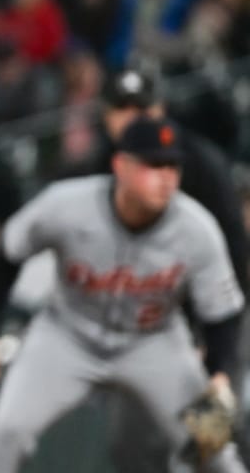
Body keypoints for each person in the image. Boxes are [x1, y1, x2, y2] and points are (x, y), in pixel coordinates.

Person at [0, 116, 248, 472]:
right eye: (153, 165)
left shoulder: (196, 228)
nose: (166, 177)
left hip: (154, 342)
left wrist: (219, 377)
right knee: (8, 430)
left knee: (214, 446)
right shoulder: (67, 205)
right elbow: (10, 249)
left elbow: (222, 313)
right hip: (67, 335)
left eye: (172, 166)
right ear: (121, 166)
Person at [98, 69, 250, 473]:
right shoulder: (103, 169)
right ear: (107, 117)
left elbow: (233, 257)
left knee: (207, 446)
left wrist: (209, 336)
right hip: (147, 330)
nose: (134, 118)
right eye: (123, 109)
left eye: (143, 108)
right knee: (130, 450)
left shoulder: (199, 165)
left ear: (161, 109)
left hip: (213, 322)